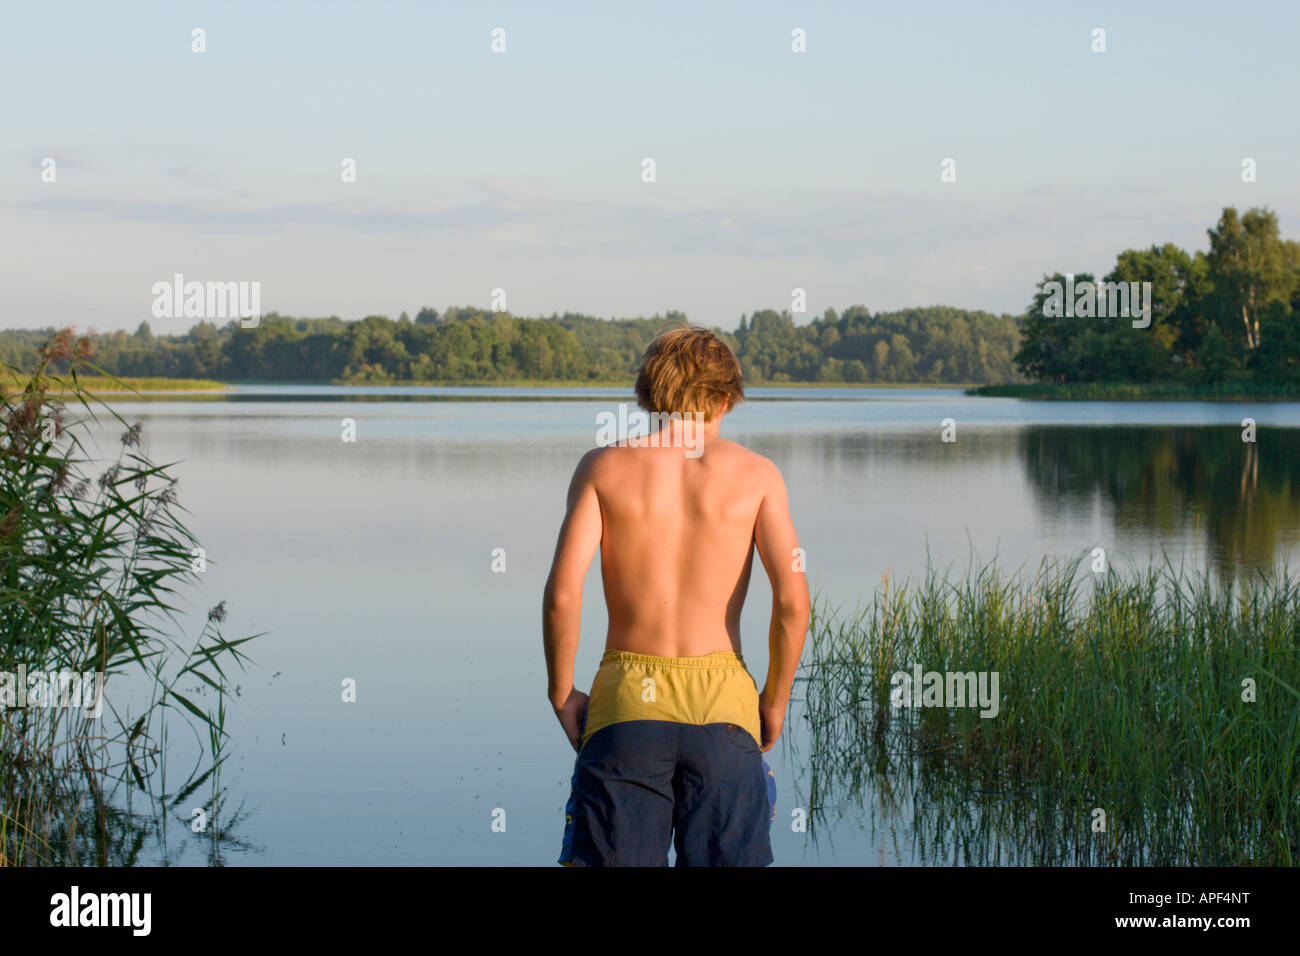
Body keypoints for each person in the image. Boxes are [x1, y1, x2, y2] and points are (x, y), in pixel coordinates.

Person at [543, 325, 809, 866]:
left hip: (626, 705)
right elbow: (792, 603)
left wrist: (561, 690)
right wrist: (775, 702)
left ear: (649, 390)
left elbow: (563, 595)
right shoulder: (757, 475)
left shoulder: (604, 467)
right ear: (727, 396)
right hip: (725, 707)